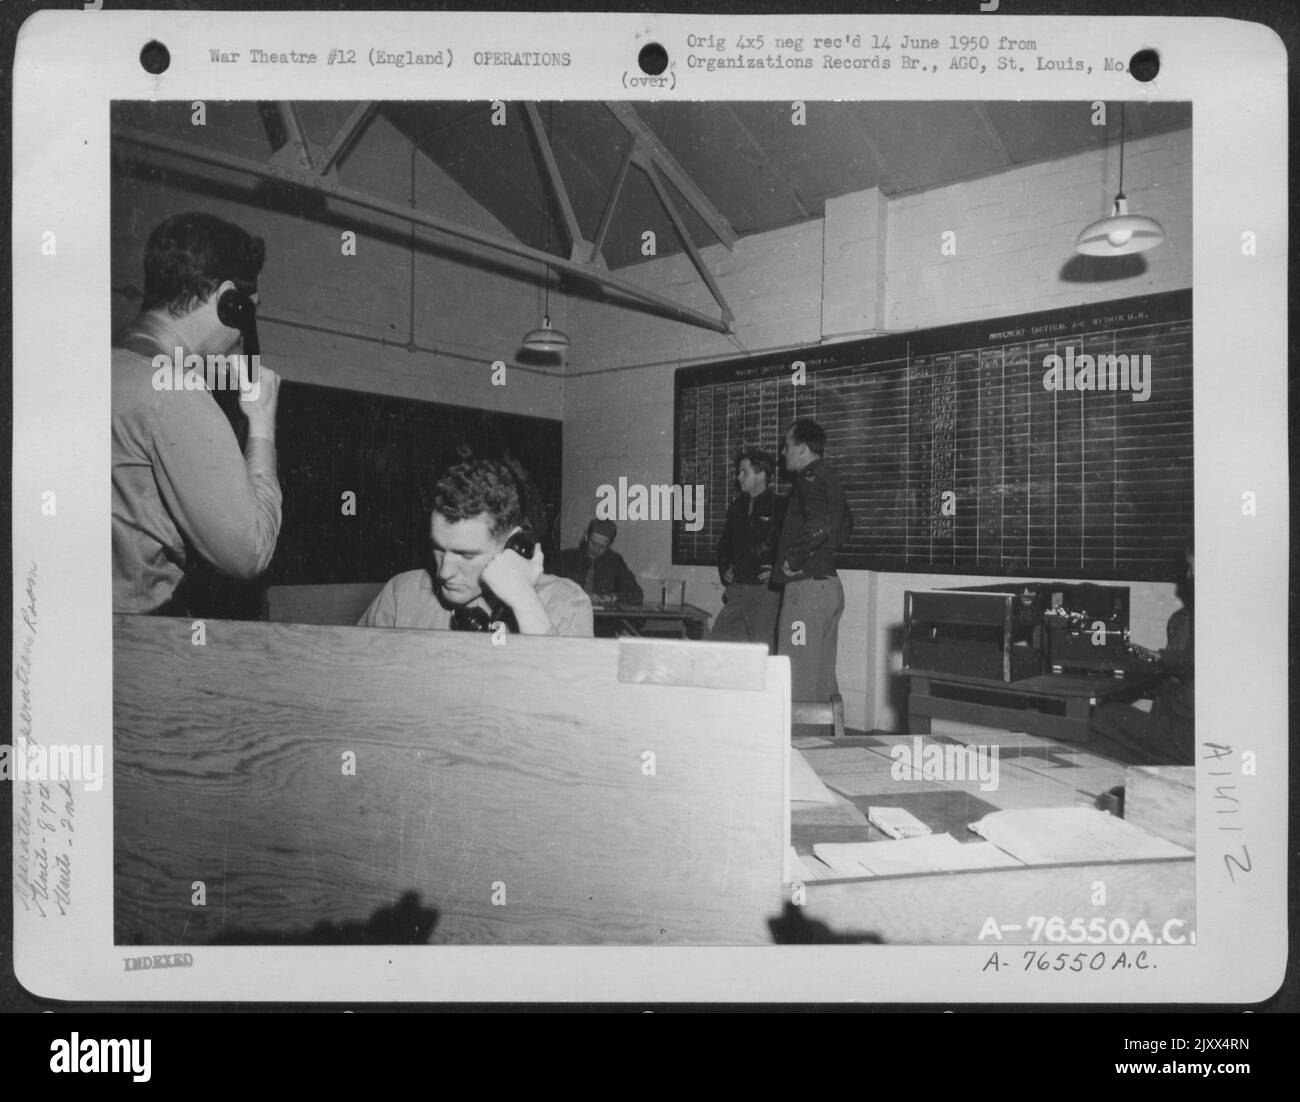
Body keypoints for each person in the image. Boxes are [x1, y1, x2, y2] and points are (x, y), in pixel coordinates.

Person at [112, 212, 283, 614]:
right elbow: (249, 553)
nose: (243, 334)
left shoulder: (110, 366)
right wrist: (262, 421)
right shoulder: (175, 390)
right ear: (229, 301)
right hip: (139, 639)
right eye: (247, 312)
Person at [358, 459, 593, 636]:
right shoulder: (402, 594)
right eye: (439, 549)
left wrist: (525, 603)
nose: (444, 572)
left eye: (466, 555)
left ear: (513, 545)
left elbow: (564, 698)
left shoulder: (565, 603)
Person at [1088, 538, 1195, 765]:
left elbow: (1198, 663)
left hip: (1189, 736)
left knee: (1100, 716)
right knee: (1098, 746)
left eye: (1191, 570)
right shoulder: (1181, 620)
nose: (1186, 580)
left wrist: (1158, 657)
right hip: (1176, 725)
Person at [773, 419, 853, 703]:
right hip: (828, 585)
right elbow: (845, 526)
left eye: (787, 446)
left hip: (806, 590)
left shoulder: (809, 478)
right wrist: (821, 554)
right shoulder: (830, 476)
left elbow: (818, 524)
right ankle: (828, 743)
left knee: (796, 676)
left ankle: (796, 745)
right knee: (822, 678)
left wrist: (794, 559)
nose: (783, 452)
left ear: (802, 448)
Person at [710, 447, 785, 651]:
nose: (738, 477)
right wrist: (726, 568)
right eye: (738, 472)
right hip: (738, 590)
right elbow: (724, 545)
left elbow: (793, 544)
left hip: (766, 593)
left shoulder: (781, 506)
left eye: (744, 472)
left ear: (761, 475)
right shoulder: (737, 507)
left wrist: (778, 571)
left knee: (764, 652)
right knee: (717, 647)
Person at [557, 518, 644, 604]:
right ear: (586, 537)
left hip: (602, 617)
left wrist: (610, 598)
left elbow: (636, 594)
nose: (596, 550)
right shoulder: (566, 557)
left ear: (610, 545)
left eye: (602, 546)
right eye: (593, 543)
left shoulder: (615, 561)